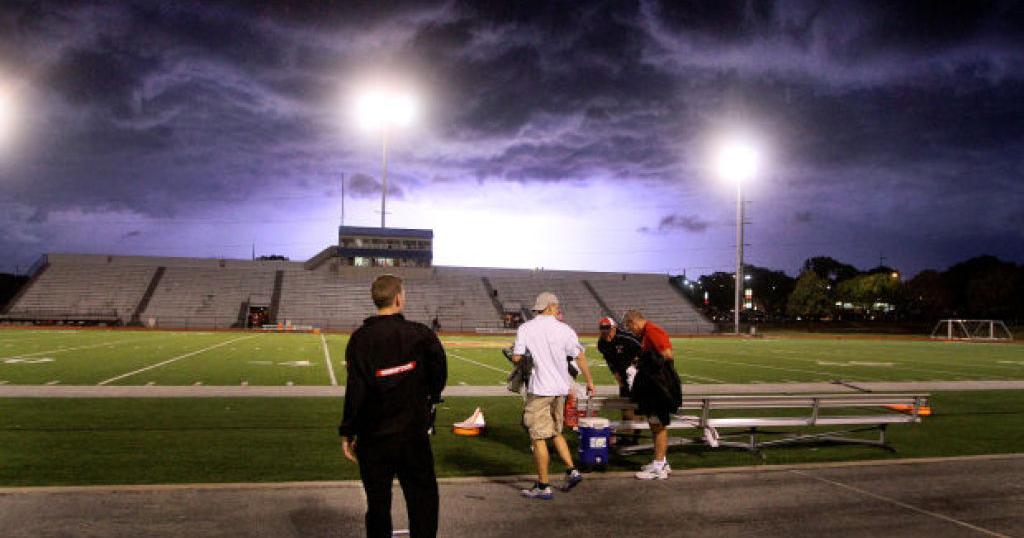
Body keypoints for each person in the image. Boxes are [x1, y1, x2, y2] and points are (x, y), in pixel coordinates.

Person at [339, 274, 448, 537]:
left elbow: (356, 390)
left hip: (373, 436)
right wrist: (428, 398)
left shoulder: (360, 340)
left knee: (377, 504)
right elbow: (439, 374)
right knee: (422, 499)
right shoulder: (420, 334)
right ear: (398, 298)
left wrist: (347, 431)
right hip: (412, 434)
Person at [511, 292, 596, 499]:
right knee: (556, 432)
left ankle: (543, 486)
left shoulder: (526, 328)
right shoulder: (565, 329)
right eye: (556, 306)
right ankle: (571, 470)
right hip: (560, 389)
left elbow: (516, 357)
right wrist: (590, 381)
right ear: (550, 307)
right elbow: (580, 356)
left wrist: (523, 359)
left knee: (538, 436)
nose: (558, 309)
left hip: (540, 389)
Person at [622, 309, 681, 481]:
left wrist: (647, 363)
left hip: (659, 388)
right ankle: (661, 462)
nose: (631, 331)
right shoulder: (648, 332)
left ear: (634, 321)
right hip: (655, 387)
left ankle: (659, 466)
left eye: (630, 327)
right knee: (656, 425)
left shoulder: (652, 330)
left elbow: (668, 356)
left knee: (658, 426)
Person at [595, 317, 642, 442]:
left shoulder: (626, 338)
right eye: (602, 329)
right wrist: (616, 375)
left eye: (607, 329)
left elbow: (643, 347)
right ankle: (628, 437)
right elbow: (609, 360)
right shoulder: (602, 344)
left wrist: (636, 364)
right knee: (625, 408)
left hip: (638, 376)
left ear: (614, 328)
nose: (605, 332)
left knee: (638, 408)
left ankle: (634, 438)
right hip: (623, 377)